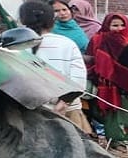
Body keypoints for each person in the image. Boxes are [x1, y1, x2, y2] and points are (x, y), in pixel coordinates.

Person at [18, 0, 90, 134]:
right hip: (67, 110)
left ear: (22, 20)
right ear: (52, 20)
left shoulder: (16, 45)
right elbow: (79, 78)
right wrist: (65, 102)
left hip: (29, 111)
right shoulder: (67, 44)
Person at [86, 13, 128, 145]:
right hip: (110, 85)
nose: (119, 28)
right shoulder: (98, 39)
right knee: (116, 111)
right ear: (107, 25)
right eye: (114, 25)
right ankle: (119, 141)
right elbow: (91, 61)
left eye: (122, 25)